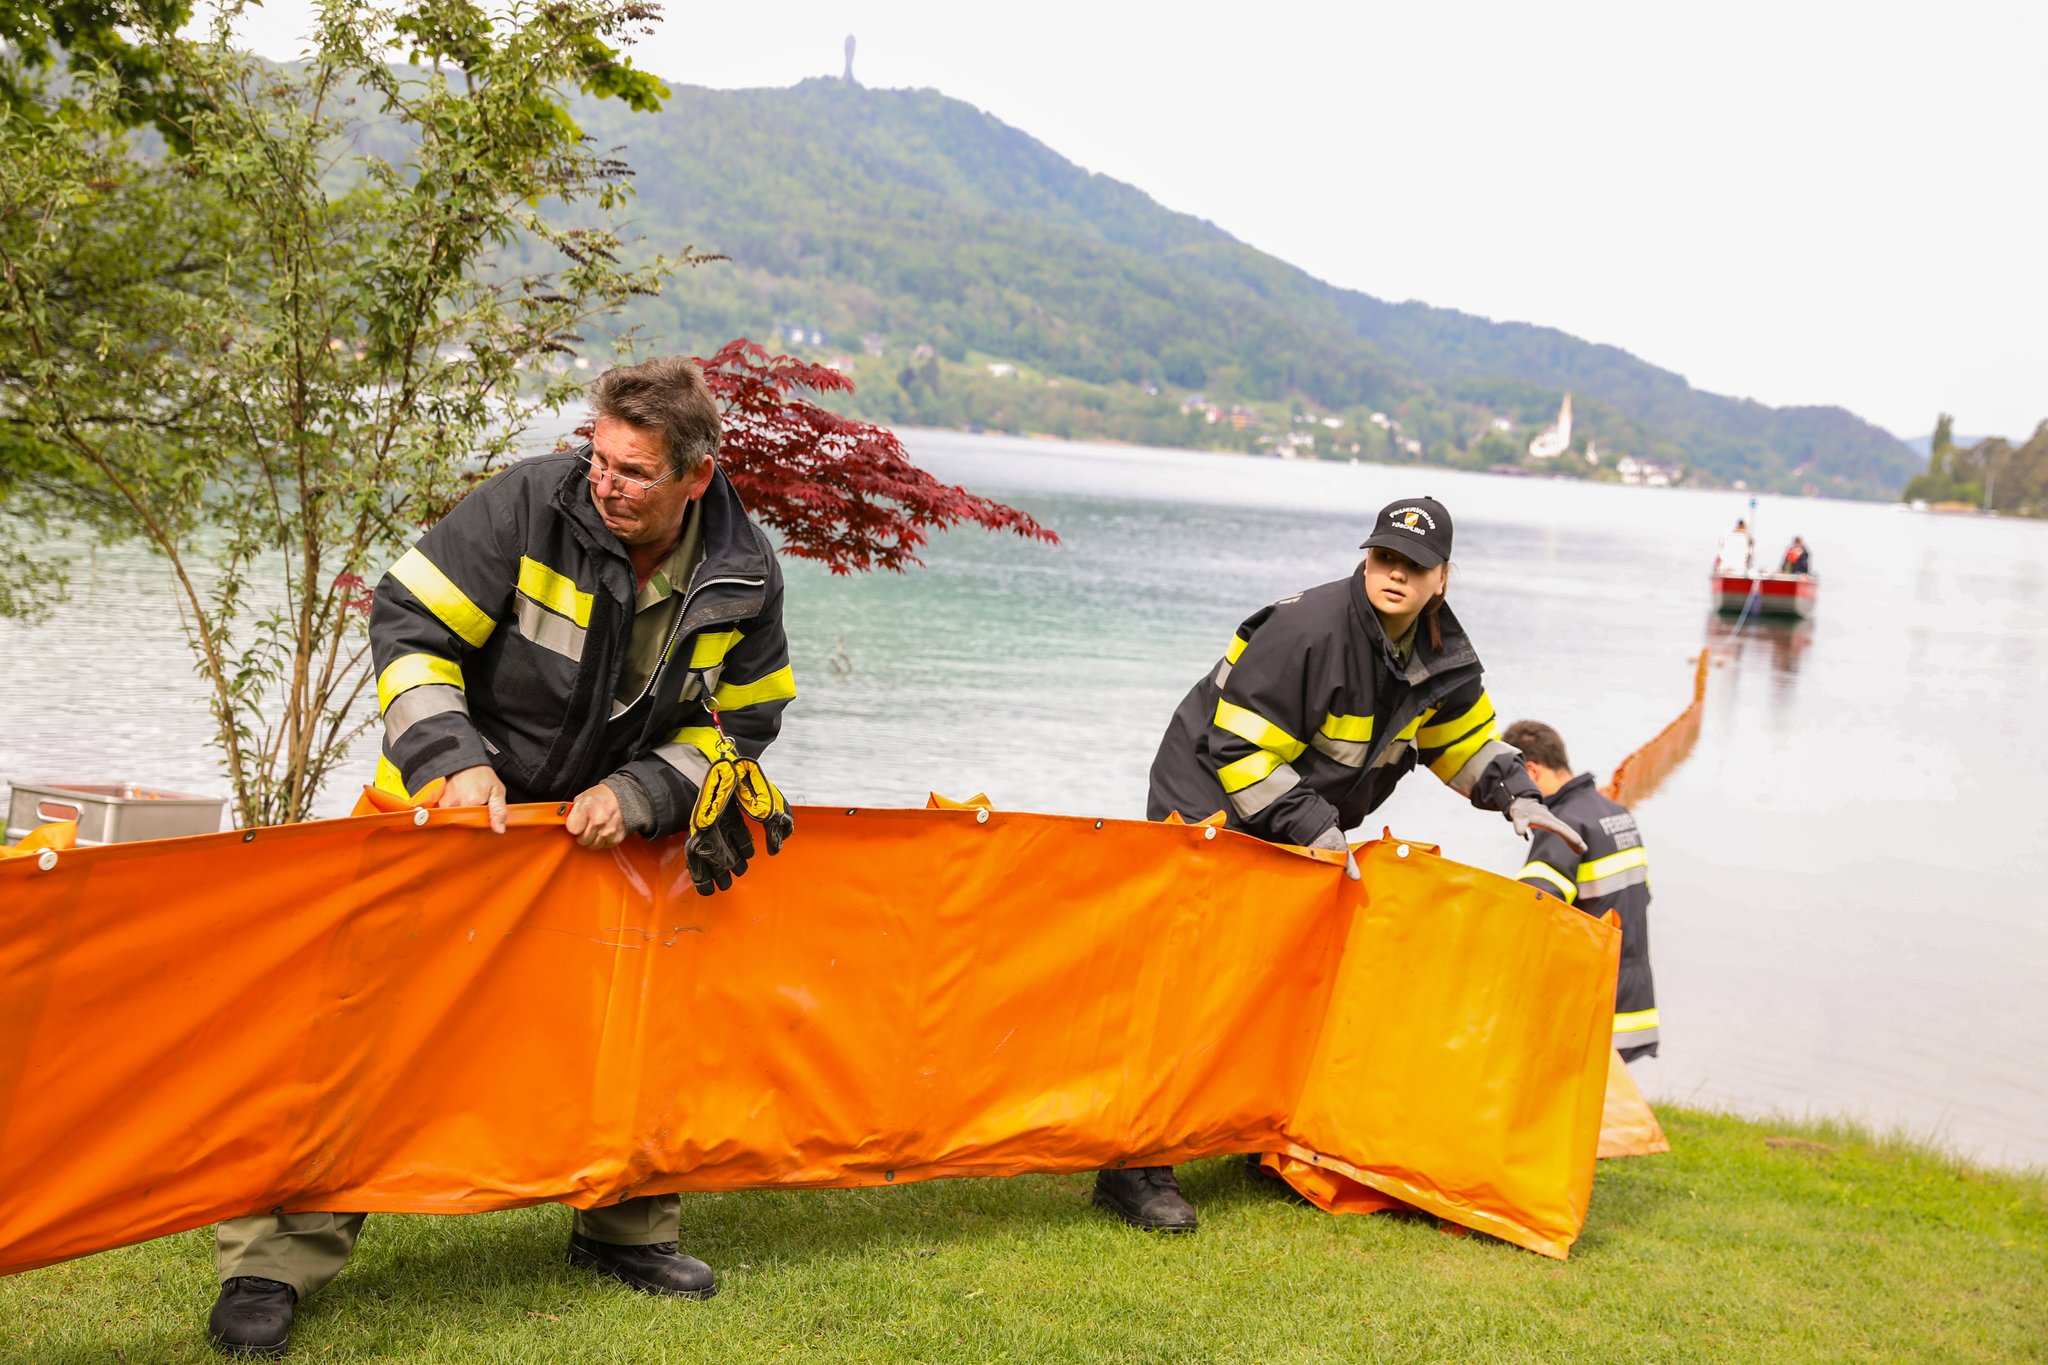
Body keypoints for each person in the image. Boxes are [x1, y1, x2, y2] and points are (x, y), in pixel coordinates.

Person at [206, 356, 797, 1356]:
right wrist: (452, 762)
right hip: (443, 818)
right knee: (358, 1037)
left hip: (597, 840)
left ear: (695, 478)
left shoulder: (743, 572)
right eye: (597, 458)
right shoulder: (525, 505)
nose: (604, 482)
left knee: (628, 1028)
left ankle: (623, 1231)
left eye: (634, 471)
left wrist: (645, 792)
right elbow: (408, 625)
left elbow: (744, 725)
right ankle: (272, 1260)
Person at [1096, 495, 1588, 1233]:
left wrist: (1515, 795)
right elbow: (1239, 750)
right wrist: (1317, 830)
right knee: (1197, 977)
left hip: (1294, 812)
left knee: (1279, 979)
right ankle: (1132, 1166)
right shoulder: (1307, 629)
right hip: (1206, 795)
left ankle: (1245, 1131)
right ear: (1366, 559)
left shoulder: (1443, 657)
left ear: (1441, 579)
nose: (1394, 573)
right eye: (1384, 557)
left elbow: (1462, 744)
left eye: (1413, 565)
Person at [1501, 720, 1659, 1063]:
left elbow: (1531, 907)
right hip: (1632, 999)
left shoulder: (1564, 824)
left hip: (1590, 1007)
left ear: (1530, 770)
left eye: (1512, 787)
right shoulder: (1617, 814)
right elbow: (1640, 898)